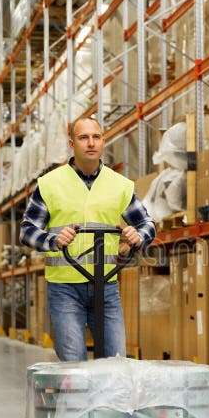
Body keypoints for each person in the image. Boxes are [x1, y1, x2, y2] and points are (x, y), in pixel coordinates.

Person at [20, 117, 156, 361]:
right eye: (83, 137)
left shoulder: (120, 185)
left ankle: (107, 401)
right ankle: (76, 400)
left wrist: (137, 236)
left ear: (103, 141)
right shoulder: (49, 184)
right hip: (64, 289)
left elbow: (148, 224)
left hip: (106, 287)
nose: (91, 143)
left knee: (115, 361)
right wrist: (53, 240)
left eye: (96, 137)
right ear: (72, 144)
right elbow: (27, 230)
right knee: (74, 363)